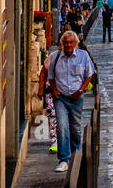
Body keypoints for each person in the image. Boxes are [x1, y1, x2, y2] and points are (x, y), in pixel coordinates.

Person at [40, 30, 96, 172]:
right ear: (62, 44)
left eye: (71, 43)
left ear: (76, 44)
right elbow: (50, 75)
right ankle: (63, 159)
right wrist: (54, 90)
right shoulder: (56, 57)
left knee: (75, 128)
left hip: (77, 98)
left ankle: (76, 153)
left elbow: (89, 75)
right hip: (61, 98)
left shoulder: (83, 56)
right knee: (62, 126)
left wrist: (81, 90)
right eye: (66, 43)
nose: (68, 45)